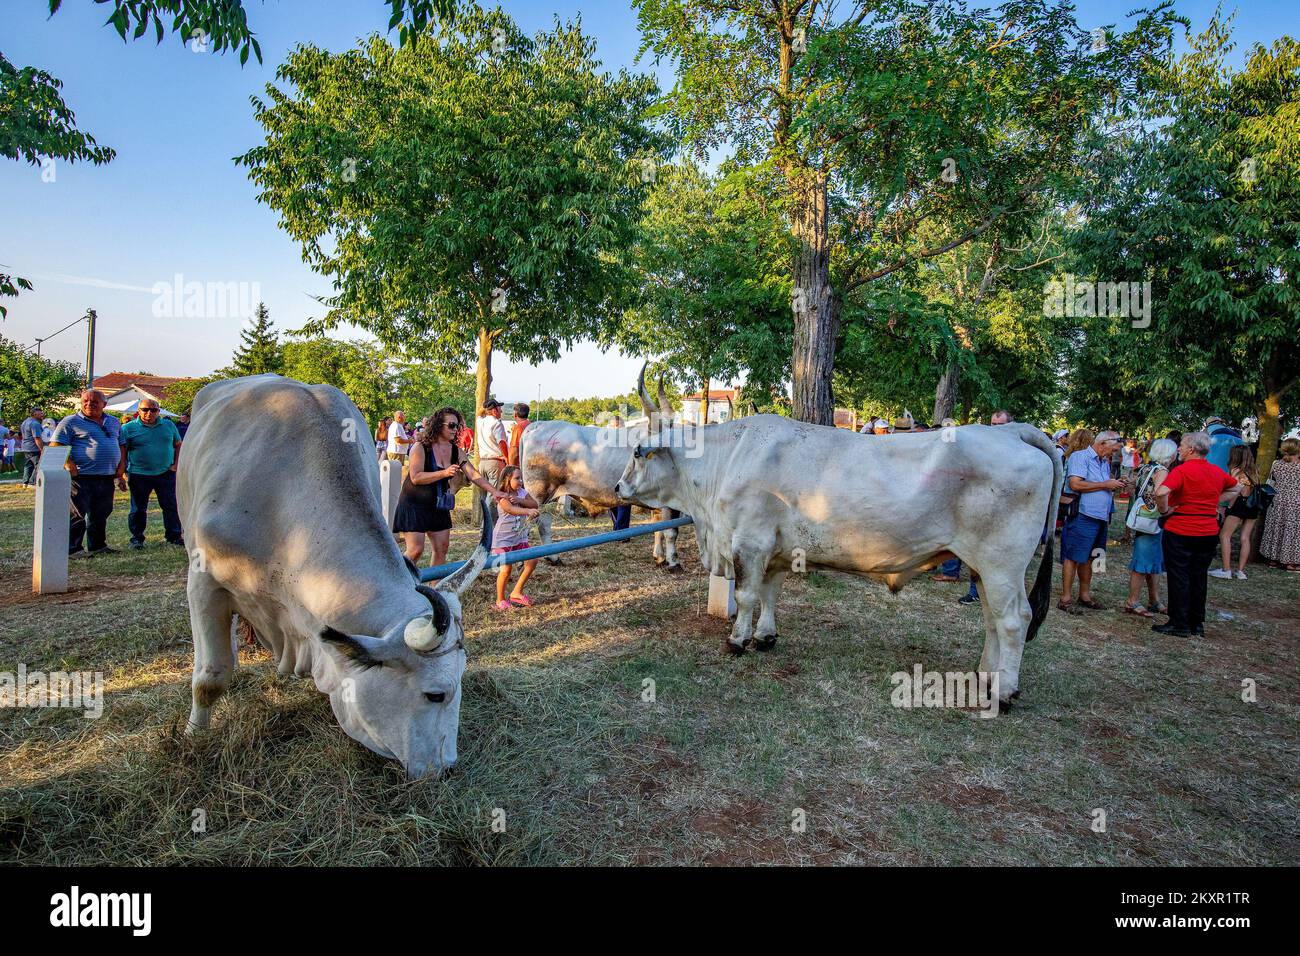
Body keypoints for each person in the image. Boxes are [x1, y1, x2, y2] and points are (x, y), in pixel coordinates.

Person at [1152, 432, 1244, 637]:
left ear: (1191, 449)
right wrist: (1215, 501)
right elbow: (1237, 487)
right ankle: (1196, 623)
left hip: (1181, 528)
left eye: (1182, 446)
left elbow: (1161, 492)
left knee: (1179, 576)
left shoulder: (1182, 470)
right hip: (1208, 530)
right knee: (1199, 576)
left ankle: (1179, 622)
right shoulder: (1216, 471)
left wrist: (1165, 510)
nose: (1179, 449)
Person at [394, 407, 507, 566]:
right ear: (439, 425)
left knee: (442, 548)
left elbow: (473, 474)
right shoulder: (421, 447)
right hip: (414, 504)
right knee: (415, 550)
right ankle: (400, 584)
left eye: (457, 426)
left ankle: (436, 588)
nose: (456, 430)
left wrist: (495, 491)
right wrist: (444, 473)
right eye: (452, 425)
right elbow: (416, 477)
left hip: (439, 505)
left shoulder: (456, 451)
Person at [939, 409, 1012, 603]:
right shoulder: (984, 446)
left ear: (1010, 425)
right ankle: (976, 591)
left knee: (994, 553)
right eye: (993, 425)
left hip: (1002, 507)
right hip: (979, 503)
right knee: (974, 550)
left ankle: (995, 593)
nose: (996, 429)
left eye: (1001, 425)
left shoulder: (1014, 451)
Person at [48, 390, 123, 556]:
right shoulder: (70, 422)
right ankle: (73, 549)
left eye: (95, 402)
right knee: (77, 514)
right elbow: (56, 445)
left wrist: (121, 467)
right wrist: (69, 464)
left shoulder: (113, 422)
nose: (89, 404)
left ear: (104, 404)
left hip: (106, 476)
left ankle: (98, 546)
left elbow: (121, 444)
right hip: (81, 477)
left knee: (101, 513)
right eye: (86, 401)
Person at [1058, 430, 1124, 614]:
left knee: (1090, 557)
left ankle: (1084, 595)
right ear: (1102, 443)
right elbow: (1075, 484)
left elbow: (1101, 485)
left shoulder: (1104, 461)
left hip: (1100, 517)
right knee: (1073, 556)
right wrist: (1105, 484)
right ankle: (1065, 598)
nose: (1113, 454)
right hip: (1083, 515)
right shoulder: (1080, 457)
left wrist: (1116, 483)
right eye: (1113, 450)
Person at [117, 398, 184, 550]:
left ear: (158, 411)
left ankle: (174, 535)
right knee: (138, 508)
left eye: (153, 410)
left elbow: (178, 445)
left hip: (165, 473)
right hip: (139, 474)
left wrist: (176, 464)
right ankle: (137, 538)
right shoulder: (128, 428)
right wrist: (122, 471)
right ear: (138, 411)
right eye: (145, 410)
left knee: (170, 506)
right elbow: (122, 451)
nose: (149, 413)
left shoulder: (168, 425)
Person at [1123, 438, 1177, 617]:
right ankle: (1133, 600)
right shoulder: (1162, 471)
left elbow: (1132, 488)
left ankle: (1155, 600)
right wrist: (1166, 511)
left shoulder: (1146, 467)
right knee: (1142, 562)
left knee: (1153, 562)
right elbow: (1160, 495)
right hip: (1152, 521)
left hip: (1143, 518)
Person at [491, 465, 541, 611]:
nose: (520, 481)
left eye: (521, 478)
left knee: (532, 560)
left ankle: (516, 592)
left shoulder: (521, 492)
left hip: (519, 537)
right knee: (506, 569)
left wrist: (520, 499)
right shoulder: (501, 495)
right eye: (517, 478)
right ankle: (500, 599)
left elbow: (534, 504)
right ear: (507, 479)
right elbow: (510, 509)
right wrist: (527, 511)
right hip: (503, 539)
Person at [1210, 445, 1262, 580]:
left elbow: (1235, 491)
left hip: (1238, 504)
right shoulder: (1255, 471)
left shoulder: (1236, 471)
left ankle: (1226, 570)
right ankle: (1240, 571)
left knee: (1224, 536)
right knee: (1245, 538)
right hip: (1253, 506)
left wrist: (1227, 508)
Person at [1260, 437, 1300, 572]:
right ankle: (1291, 562)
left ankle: (1273, 559)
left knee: (1276, 528)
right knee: (1292, 530)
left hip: (1277, 499)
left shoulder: (1276, 464)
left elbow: (1270, 482)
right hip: (1295, 501)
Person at [476, 398, 509, 521]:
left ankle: (483, 526)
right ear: (494, 411)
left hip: (483, 462)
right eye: (499, 408)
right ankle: (490, 527)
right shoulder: (496, 423)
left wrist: (485, 407)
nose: (501, 410)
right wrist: (506, 457)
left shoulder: (480, 421)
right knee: (493, 496)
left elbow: (479, 413)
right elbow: (501, 442)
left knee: (484, 497)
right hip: (495, 461)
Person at [19, 408, 45, 486]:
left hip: (25, 447)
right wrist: (42, 449)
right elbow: (37, 438)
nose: (42, 415)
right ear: (34, 414)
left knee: (28, 465)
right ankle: (32, 482)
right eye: (40, 413)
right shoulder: (35, 424)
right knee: (38, 465)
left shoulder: (25, 422)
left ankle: (25, 482)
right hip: (34, 448)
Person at [508, 403, 530, 467]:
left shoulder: (518, 428)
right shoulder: (531, 426)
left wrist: (511, 468)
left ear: (515, 414)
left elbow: (514, 451)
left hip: (520, 466)